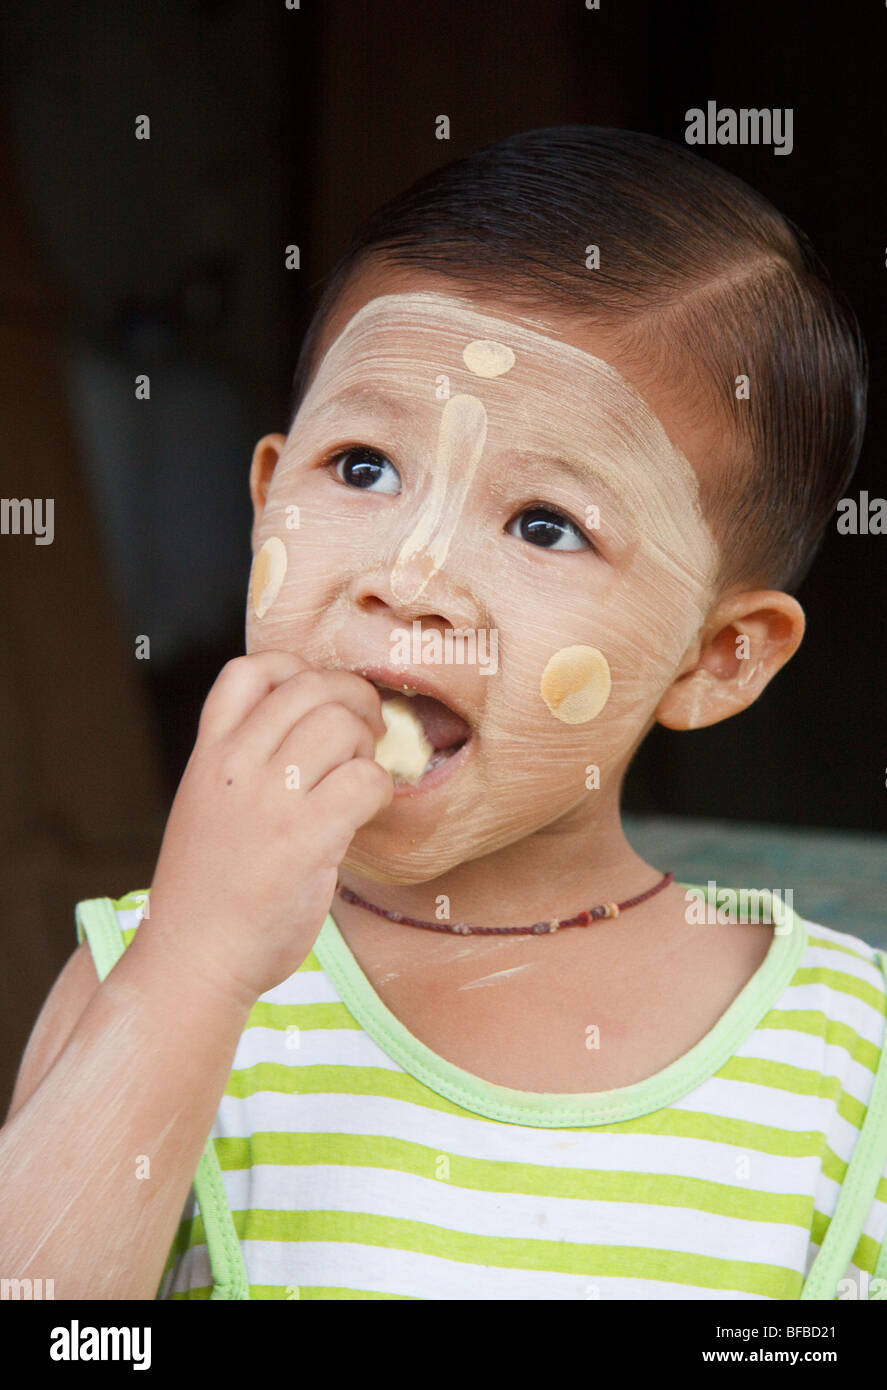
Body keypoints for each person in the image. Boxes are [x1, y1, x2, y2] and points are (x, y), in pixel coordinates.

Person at [3, 126, 884, 1301]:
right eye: (362, 466)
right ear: (267, 497)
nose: (405, 576)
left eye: (544, 524)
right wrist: (194, 968)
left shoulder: (847, 1067)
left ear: (716, 659)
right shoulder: (145, 976)